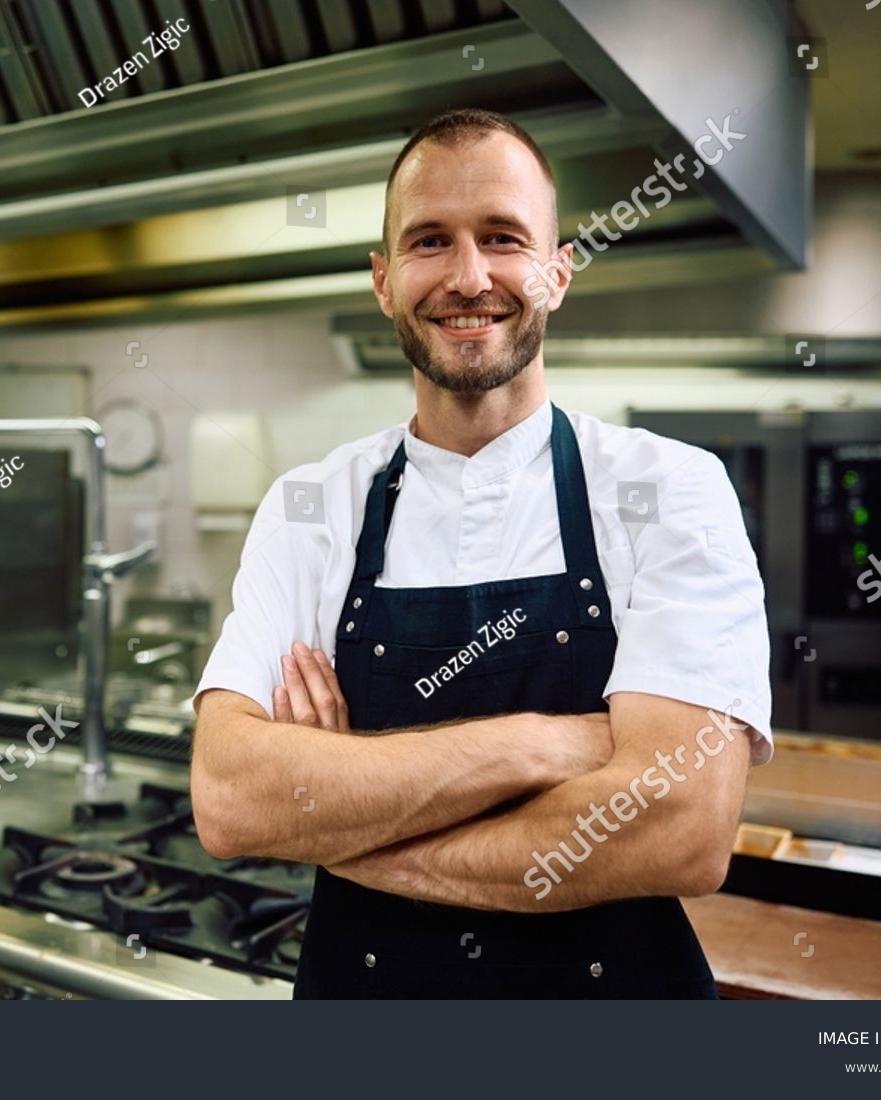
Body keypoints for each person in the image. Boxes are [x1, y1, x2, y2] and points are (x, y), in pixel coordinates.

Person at [190, 108, 772, 999]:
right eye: (430, 241)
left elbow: (679, 829)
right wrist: (545, 746)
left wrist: (344, 818)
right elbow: (233, 799)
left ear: (556, 272)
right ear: (383, 282)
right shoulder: (309, 508)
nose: (469, 278)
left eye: (502, 237)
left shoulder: (671, 490)